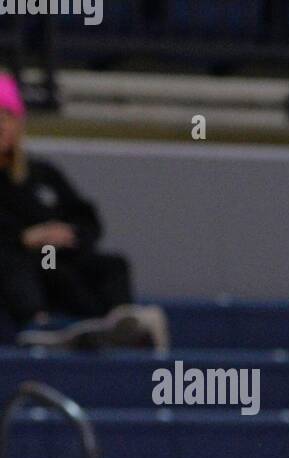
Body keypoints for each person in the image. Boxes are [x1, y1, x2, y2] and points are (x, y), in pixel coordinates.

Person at [0, 72, 167, 349]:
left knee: (112, 265)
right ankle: (39, 324)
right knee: (21, 266)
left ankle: (121, 325)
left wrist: (69, 233)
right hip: (21, 264)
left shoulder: (42, 173)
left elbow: (86, 218)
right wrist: (25, 238)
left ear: (18, 124)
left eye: (6, 117)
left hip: (60, 261)